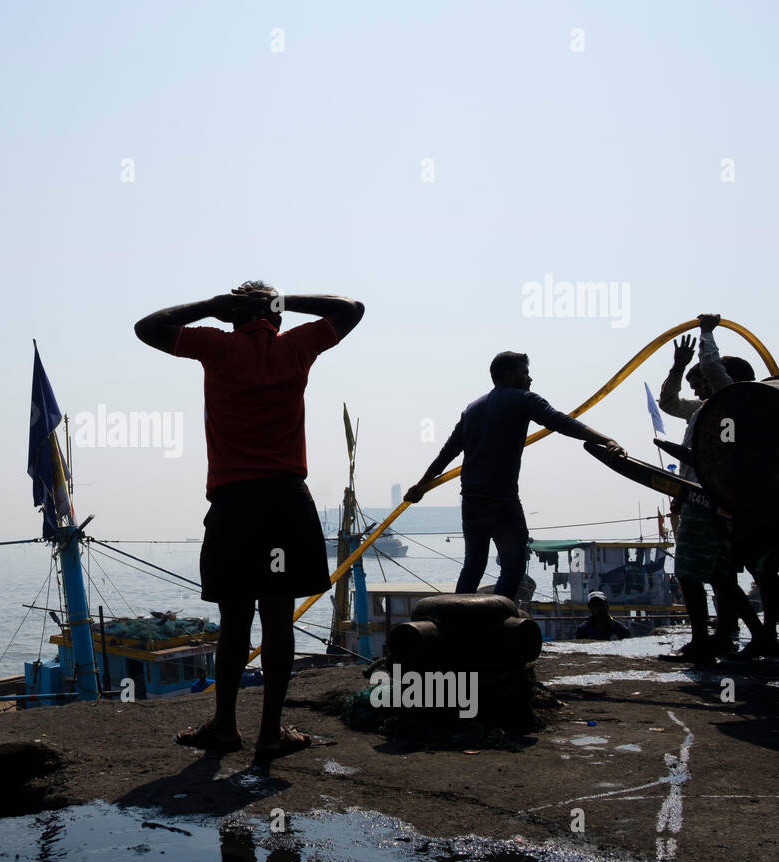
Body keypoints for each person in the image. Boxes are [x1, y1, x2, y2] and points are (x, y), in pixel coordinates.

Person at [135, 282, 364, 762]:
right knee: (278, 619)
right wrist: (281, 303)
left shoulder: (217, 347)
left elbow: (148, 328)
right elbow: (351, 309)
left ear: (233, 317)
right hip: (284, 503)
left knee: (234, 620)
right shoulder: (296, 346)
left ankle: (224, 728)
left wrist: (213, 307)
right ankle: (271, 733)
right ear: (276, 318)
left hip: (235, 505)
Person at [405, 352, 625, 600]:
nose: (530, 379)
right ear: (510, 375)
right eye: (525, 372)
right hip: (502, 501)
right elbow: (562, 423)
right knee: (513, 567)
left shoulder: (472, 409)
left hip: (471, 501)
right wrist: (605, 439)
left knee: (473, 567)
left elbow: (446, 454)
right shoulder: (524, 399)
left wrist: (421, 486)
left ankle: (456, 621)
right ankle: (496, 620)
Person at [657, 314, 767, 664]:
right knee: (721, 576)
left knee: (689, 573)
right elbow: (669, 404)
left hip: (707, 500)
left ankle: (702, 642)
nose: (697, 389)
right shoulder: (703, 410)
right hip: (703, 498)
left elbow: (715, 369)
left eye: (701, 383)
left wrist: (706, 332)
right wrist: (677, 367)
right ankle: (754, 637)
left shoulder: (734, 403)